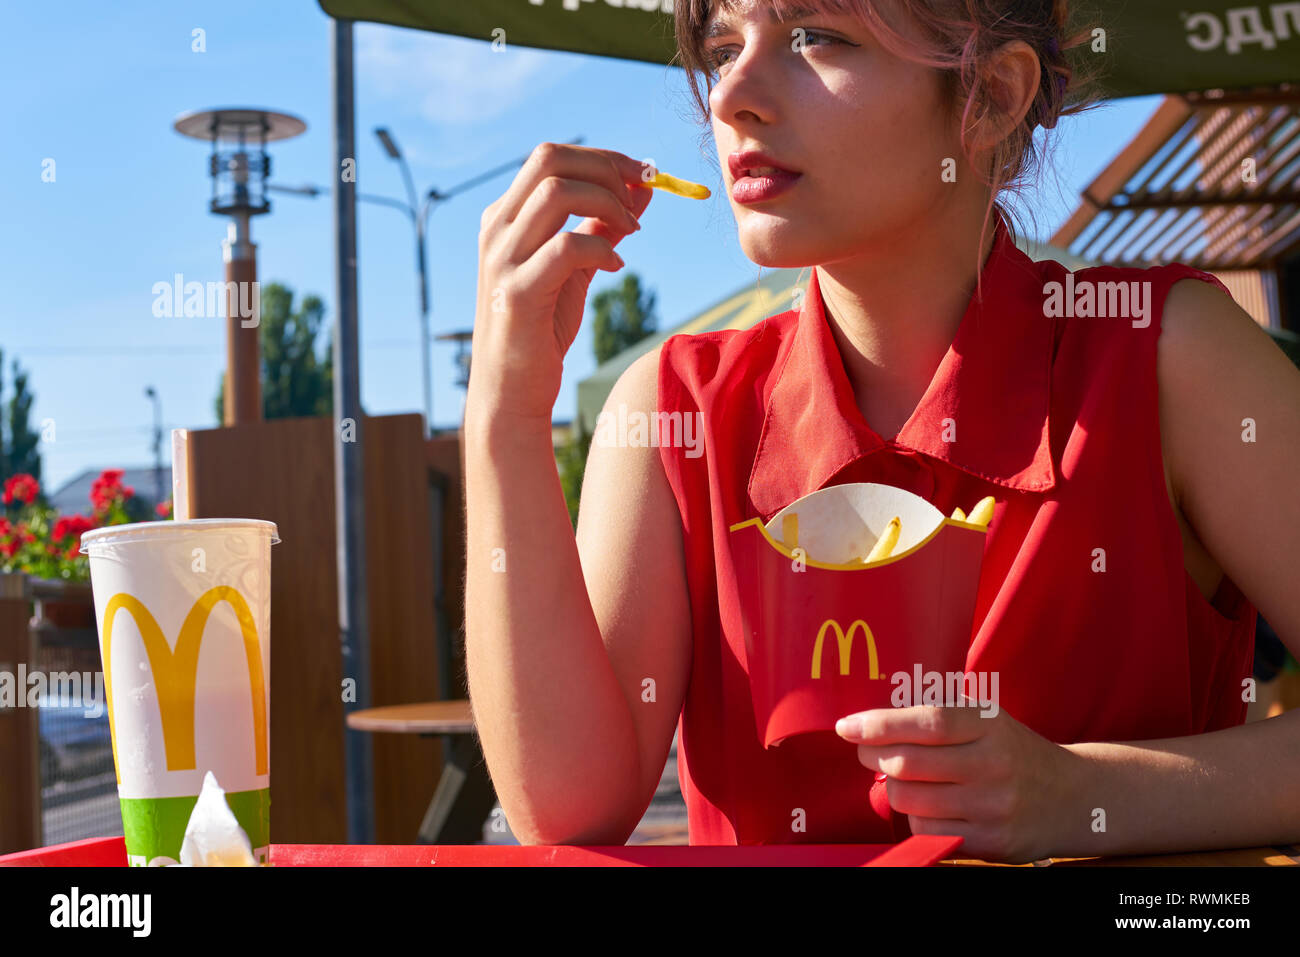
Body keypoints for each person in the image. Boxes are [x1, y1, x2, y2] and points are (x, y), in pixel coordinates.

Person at [464, 0, 1300, 861]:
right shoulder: (670, 408)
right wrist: (507, 412)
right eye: (723, 48)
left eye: (816, 37)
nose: (732, 97)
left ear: (993, 95)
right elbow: (567, 813)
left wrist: (1088, 793)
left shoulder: (1173, 358)